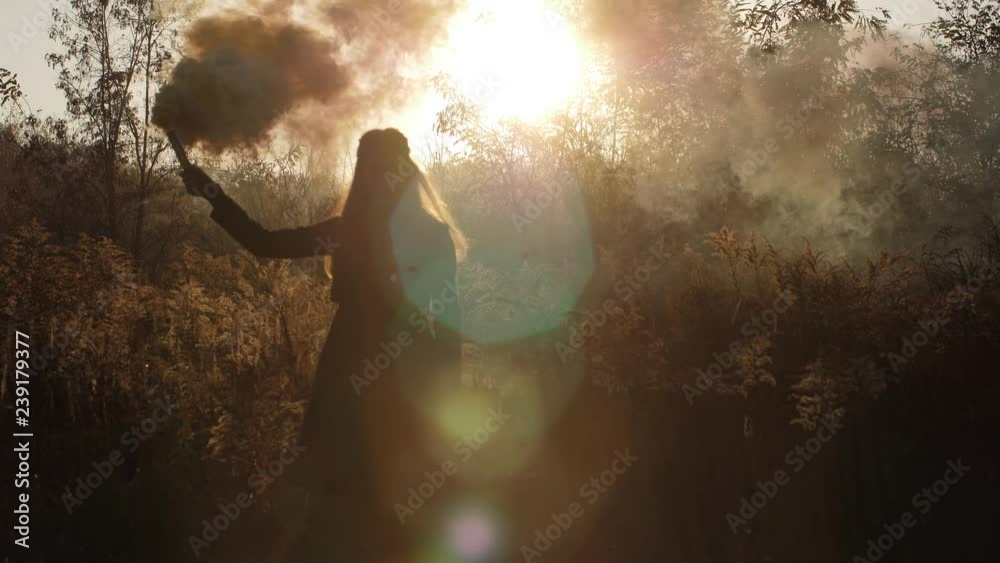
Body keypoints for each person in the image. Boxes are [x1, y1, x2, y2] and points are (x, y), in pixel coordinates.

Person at [181, 128, 466, 562]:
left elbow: (448, 323)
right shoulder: (388, 232)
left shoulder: (368, 232)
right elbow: (266, 243)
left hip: (369, 372)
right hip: (377, 373)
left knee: (370, 502)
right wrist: (211, 193)